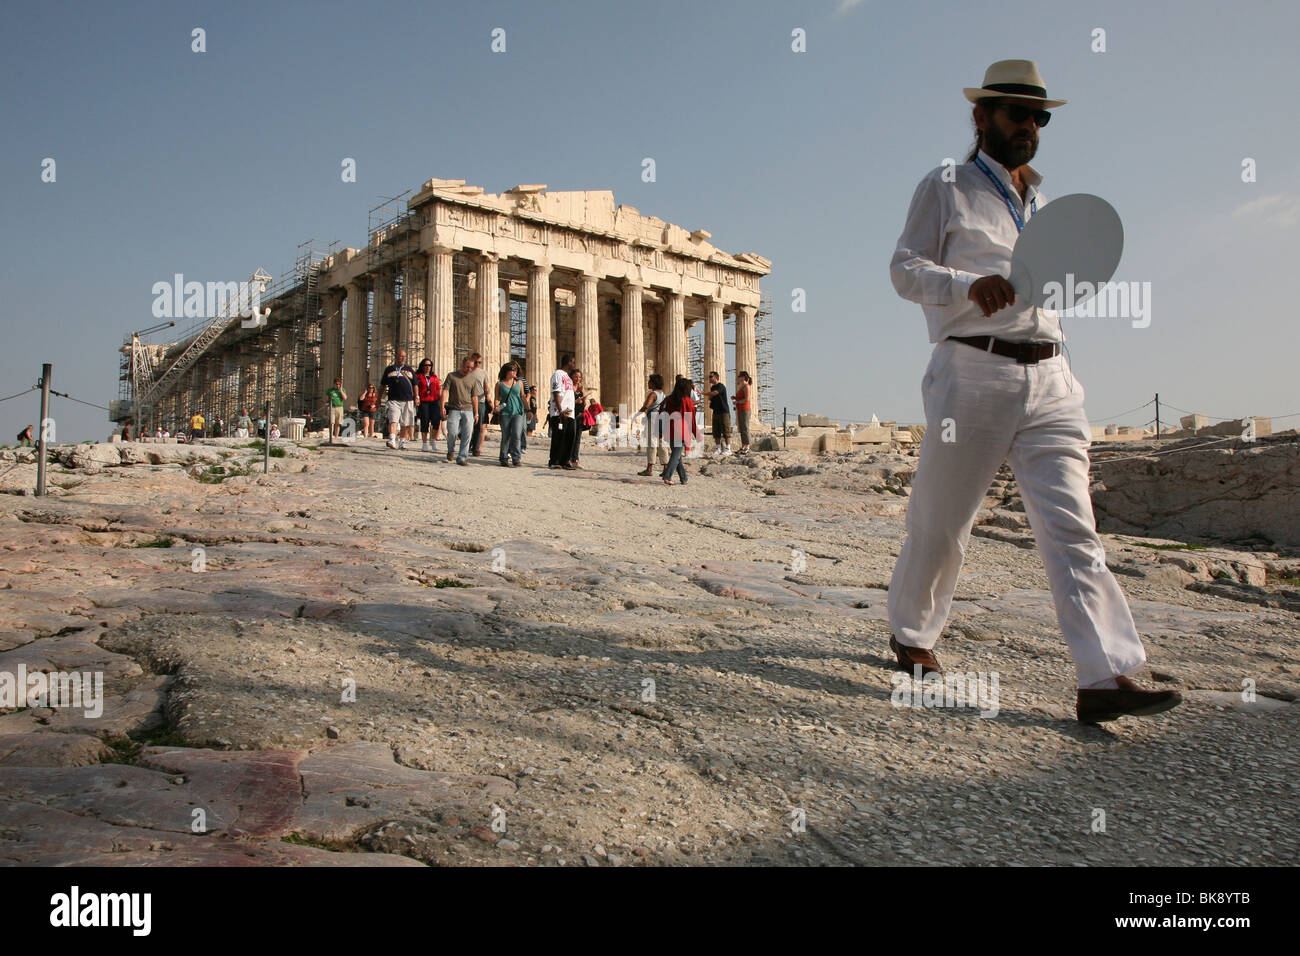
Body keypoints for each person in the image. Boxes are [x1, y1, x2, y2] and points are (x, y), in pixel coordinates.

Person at [887, 59, 1180, 724]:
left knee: (1074, 528)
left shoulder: (1045, 205)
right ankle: (913, 635)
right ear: (981, 116)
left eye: (1040, 117)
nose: (1030, 126)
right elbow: (904, 269)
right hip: (974, 369)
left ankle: (1105, 674)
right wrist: (967, 286)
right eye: (1017, 113)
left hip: (1052, 375)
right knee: (943, 521)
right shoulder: (947, 186)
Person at [440, 354, 480, 465]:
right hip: (454, 409)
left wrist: (476, 413)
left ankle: (462, 457)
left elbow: (474, 396)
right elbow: (445, 391)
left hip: (468, 409)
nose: (469, 370)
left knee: (467, 434)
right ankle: (450, 451)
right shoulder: (452, 376)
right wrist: (442, 405)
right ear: (462, 365)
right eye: (467, 367)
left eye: (471, 368)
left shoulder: (473, 379)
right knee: (452, 432)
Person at [660, 377, 697, 485]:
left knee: (677, 455)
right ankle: (667, 476)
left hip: (669, 428)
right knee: (676, 454)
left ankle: (683, 478)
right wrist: (695, 432)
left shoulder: (668, 399)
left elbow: (661, 412)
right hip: (681, 430)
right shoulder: (687, 401)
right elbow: (691, 419)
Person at [381, 348, 417, 450]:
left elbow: (415, 385)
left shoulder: (410, 370)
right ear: (396, 357)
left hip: (407, 399)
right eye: (400, 356)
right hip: (393, 399)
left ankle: (402, 441)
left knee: (405, 422)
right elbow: (382, 385)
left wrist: (417, 397)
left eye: (404, 356)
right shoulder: (389, 369)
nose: (402, 358)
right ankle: (392, 439)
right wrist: (379, 398)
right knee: (393, 419)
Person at [547, 354, 577, 470]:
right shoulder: (557, 374)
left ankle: (565, 461)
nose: (574, 365)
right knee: (559, 437)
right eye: (573, 362)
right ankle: (554, 461)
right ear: (568, 362)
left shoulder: (568, 377)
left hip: (570, 412)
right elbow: (556, 392)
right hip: (559, 412)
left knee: (569, 437)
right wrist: (560, 410)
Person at [636, 373, 669, 476]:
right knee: (661, 443)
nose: (648, 383)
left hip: (653, 418)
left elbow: (646, 406)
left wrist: (638, 413)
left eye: (649, 381)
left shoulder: (653, 394)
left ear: (653, 383)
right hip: (662, 418)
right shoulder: (663, 394)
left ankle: (649, 468)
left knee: (651, 443)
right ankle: (665, 468)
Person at [494, 361, 526, 467]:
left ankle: (516, 458)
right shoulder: (499, 384)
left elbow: (522, 396)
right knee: (506, 436)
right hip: (505, 413)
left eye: (516, 370)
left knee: (516, 434)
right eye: (513, 370)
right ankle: (503, 458)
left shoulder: (519, 383)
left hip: (518, 412)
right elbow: (497, 397)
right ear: (507, 371)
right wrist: (496, 406)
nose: (515, 371)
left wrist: (529, 410)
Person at [415, 360, 442, 453]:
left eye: (429, 365)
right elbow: (416, 388)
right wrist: (416, 398)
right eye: (426, 365)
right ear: (422, 366)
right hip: (424, 401)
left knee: (436, 421)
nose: (428, 367)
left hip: (434, 401)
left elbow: (438, 389)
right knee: (425, 421)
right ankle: (424, 443)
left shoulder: (434, 377)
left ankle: (433, 440)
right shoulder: (418, 377)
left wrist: (441, 401)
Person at [467, 353, 489, 457]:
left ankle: (475, 448)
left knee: (479, 426)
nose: (477, 364)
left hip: (480, 401)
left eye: (479, 362)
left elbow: (486, 386)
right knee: (467, 425)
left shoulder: (483, 373)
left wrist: (488, 396)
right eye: (475, 362)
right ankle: (468, 445)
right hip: (467, 401)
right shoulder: (467, 371)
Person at [707, 371, 731, 457]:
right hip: (716, 411)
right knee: (716, 431)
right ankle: (718, 448)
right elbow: (711, 397)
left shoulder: (721, 386)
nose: (709, 378)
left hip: (723, 411)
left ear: (716, 378)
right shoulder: (712, 387)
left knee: (725, 429)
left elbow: (715, 393)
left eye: (711, 377)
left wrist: (702, 393)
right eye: (709, 377)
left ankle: (728, 448)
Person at [568, 369, 586, 468]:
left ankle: (575, 459)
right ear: (571, 377)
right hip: (571, 414)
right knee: (571, 437)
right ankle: (568, 459)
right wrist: (576, 401)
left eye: (579, 377)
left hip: (580, 415)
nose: (578, 379)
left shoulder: (581, 388)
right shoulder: (569, 387)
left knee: (578, 438)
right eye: (576, 377)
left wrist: (584, 399)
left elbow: (584, 403)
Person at [734, 371, 753, 453]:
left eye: (740, 376)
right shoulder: (741, 386)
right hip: (740, 409)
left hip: (745, 409)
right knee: (741, 428)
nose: (738, 377)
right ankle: (743, 446)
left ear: (743, 377)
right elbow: (741, 397)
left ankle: (747, 446)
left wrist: (737, 402)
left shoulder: (746, 386)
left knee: (745, 427)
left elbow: (747, 399)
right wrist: (735, 398)